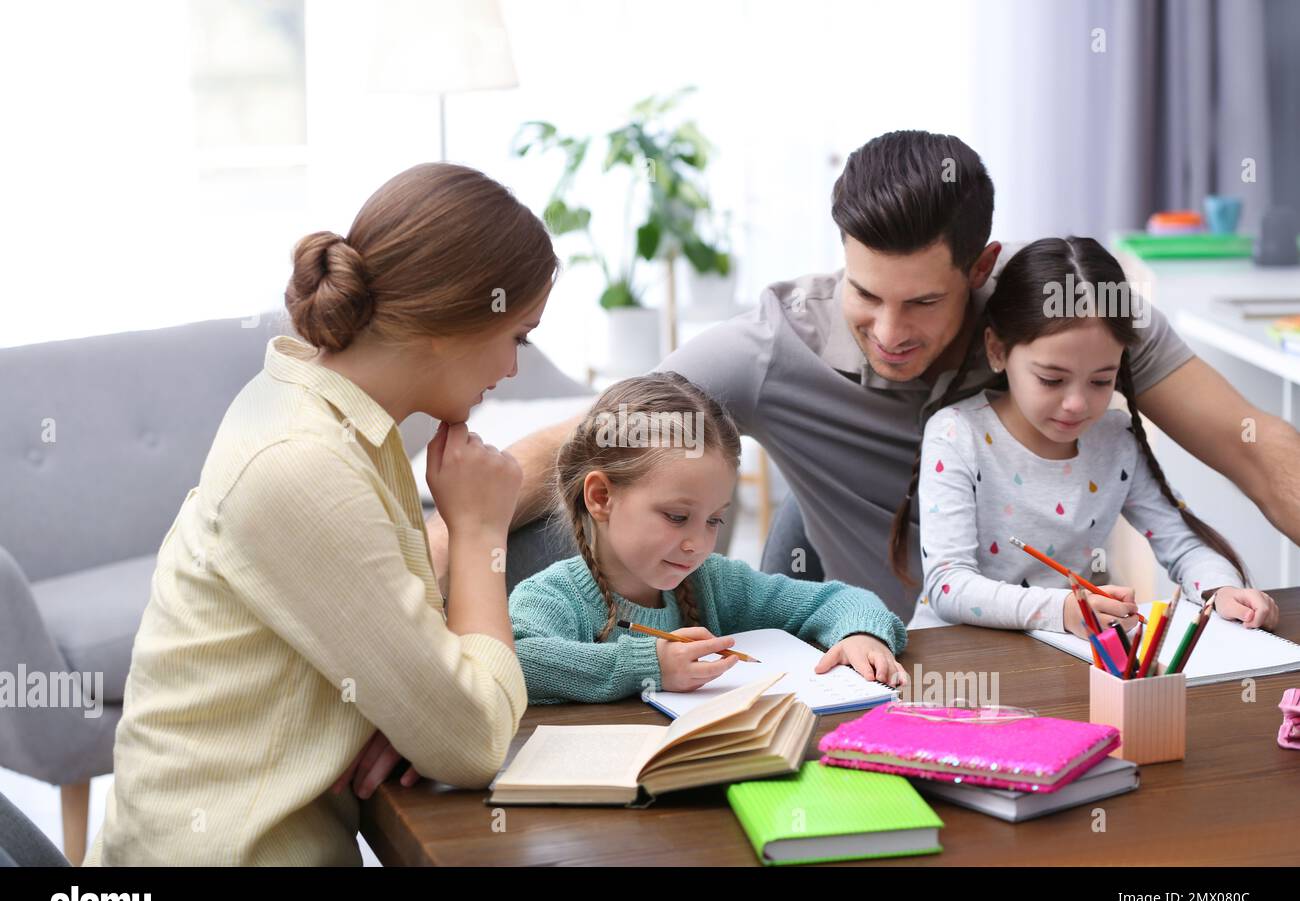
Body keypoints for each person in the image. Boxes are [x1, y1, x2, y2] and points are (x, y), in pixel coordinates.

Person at [428, 130, 1300, 619]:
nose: (889, 333)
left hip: (1077, 653)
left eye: (922, 302)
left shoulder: (1069, 327)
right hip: (891, 660)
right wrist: (430, 546)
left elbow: (1261, 451)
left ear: (981, 266)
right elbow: (596, 442)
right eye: (864, 292)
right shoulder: (773, 348)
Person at [84, 163, 552, 865]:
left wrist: (408, 705)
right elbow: (477, 741)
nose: (515, 369)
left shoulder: (331, 418)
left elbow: (426, 688)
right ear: (452, 319)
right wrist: (480, 531)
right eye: (519, 336)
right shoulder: (301, 461)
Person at [899, 236, 1279, 635]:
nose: (1077, 404)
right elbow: (948, 585)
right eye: (1051, 379)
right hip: (953, 653)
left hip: (1060, 655)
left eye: (1101, 380)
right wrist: (1063, 609)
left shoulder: (1114, 440)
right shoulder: (957, 434)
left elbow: (1183, 545)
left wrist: (1220, 590)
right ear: (997, 351)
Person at [509, 372, 907, 704]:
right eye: (677, 516)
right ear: (601, 497)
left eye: (714, 520)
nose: (697, 543)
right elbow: (516, 662)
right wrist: (650, 665)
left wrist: (862, 633)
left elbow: (840, 600)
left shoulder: (712, 583)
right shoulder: (552, 598)